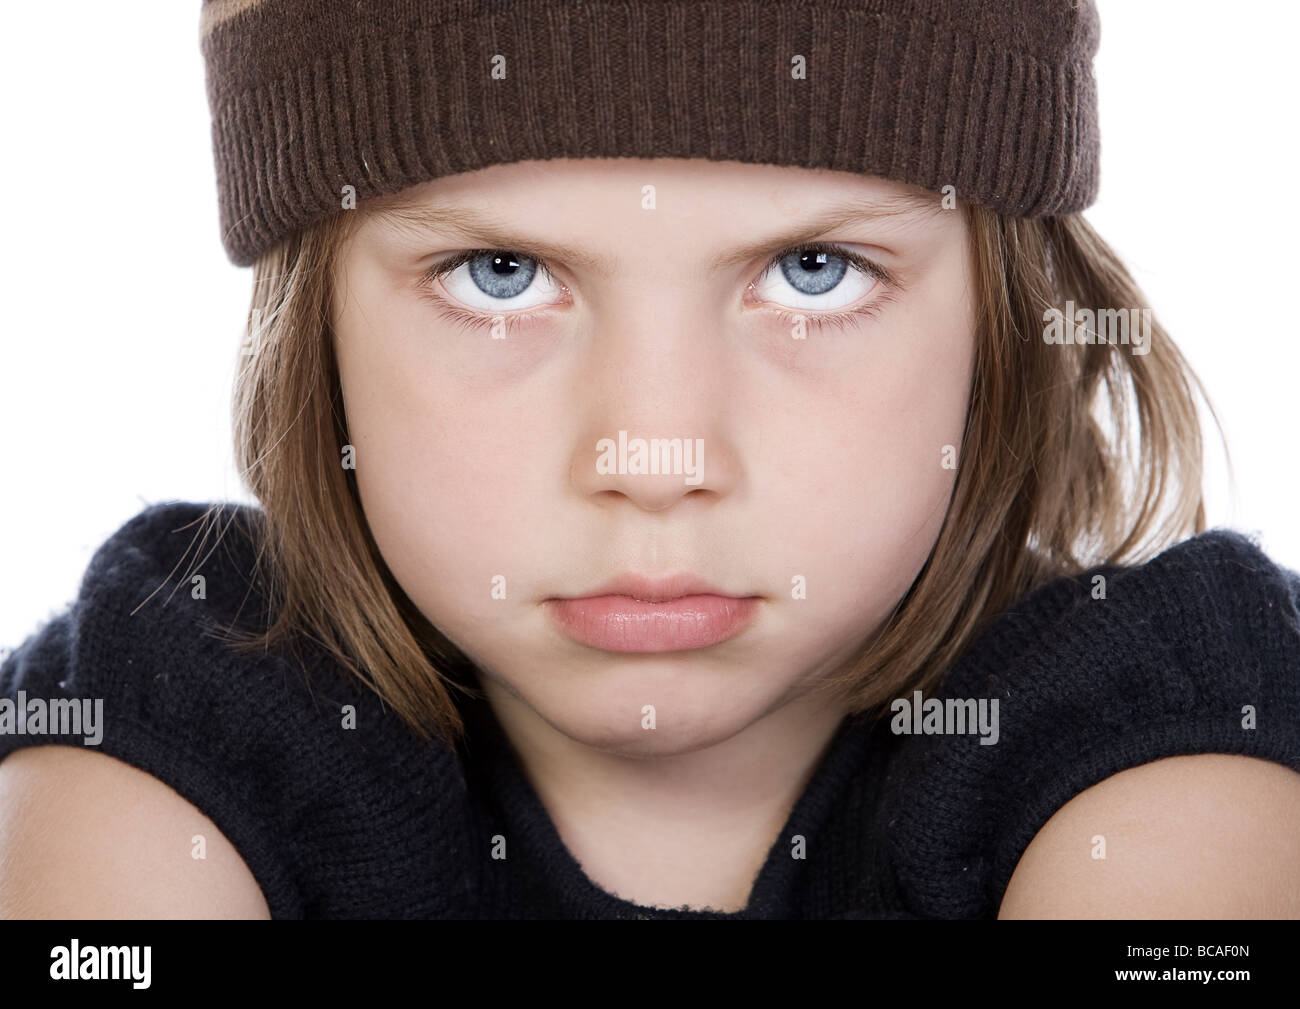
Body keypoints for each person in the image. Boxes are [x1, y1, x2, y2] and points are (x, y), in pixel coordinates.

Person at [2, 0, 1298, 919]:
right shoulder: (181, 711)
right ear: (317, 320)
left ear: (1002, 310)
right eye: (501, 275)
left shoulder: (1157, 740)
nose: (656, 453)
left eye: (814, 269)